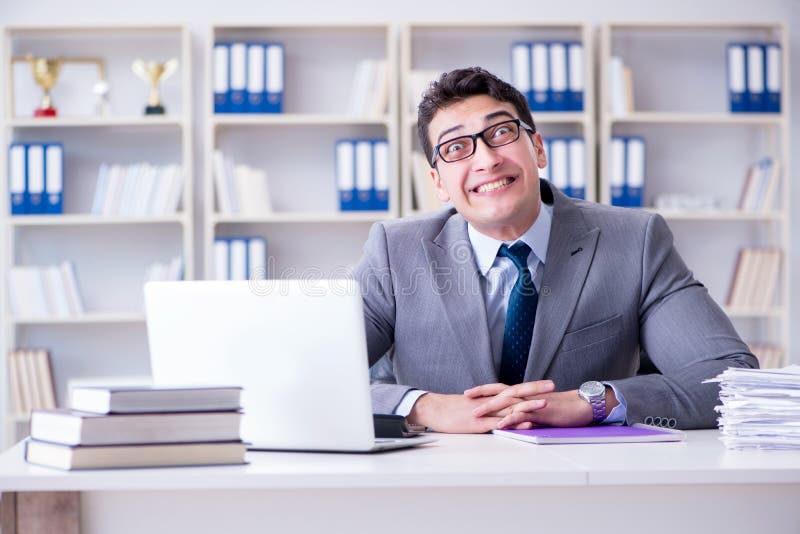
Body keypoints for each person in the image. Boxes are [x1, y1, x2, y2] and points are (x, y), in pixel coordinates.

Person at [355, 66, 756, 434]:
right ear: (438, 182)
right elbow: (308, 375)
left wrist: (595, 401)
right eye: (457, 148)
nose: (487, 159)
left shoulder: (635, 240)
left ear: (538, 149)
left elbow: (728, 378)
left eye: (500, 133)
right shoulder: (396, 251)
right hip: (440, 484)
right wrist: (424, 407)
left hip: (588, 485)